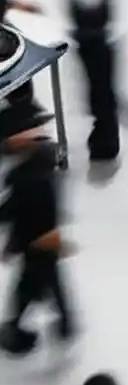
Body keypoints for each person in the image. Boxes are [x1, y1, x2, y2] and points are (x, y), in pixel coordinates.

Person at [46, 0, 128, 181]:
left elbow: (102, 4)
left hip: (101, 39)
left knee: (102, 95)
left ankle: (106, 151)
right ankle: (111, 119)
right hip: (87, 39)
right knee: (97, 91)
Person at [0, 107, 73, 356]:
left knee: (36, 285)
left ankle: (57, 330)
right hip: (34, 239)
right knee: (42, 284)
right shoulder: (31, 166)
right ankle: (57, 329)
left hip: (40, 239)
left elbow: (35, 206)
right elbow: (16, 207)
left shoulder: (37, 170)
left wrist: (50, 234)